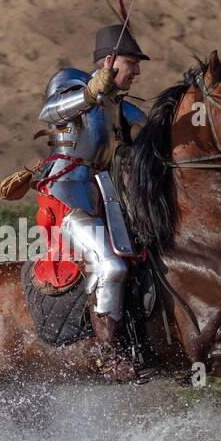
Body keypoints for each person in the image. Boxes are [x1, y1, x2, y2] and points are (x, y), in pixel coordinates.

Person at [37, 23, 149, 380]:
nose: (138, 71)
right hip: (68, 194)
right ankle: (105, 353)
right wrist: (89, 93)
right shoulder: (69, 79)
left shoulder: (122, 108)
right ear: (111, 61)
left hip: (107, 197)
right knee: (110, 267)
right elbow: (49, 113)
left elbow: (148, 136)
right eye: (133, 62)